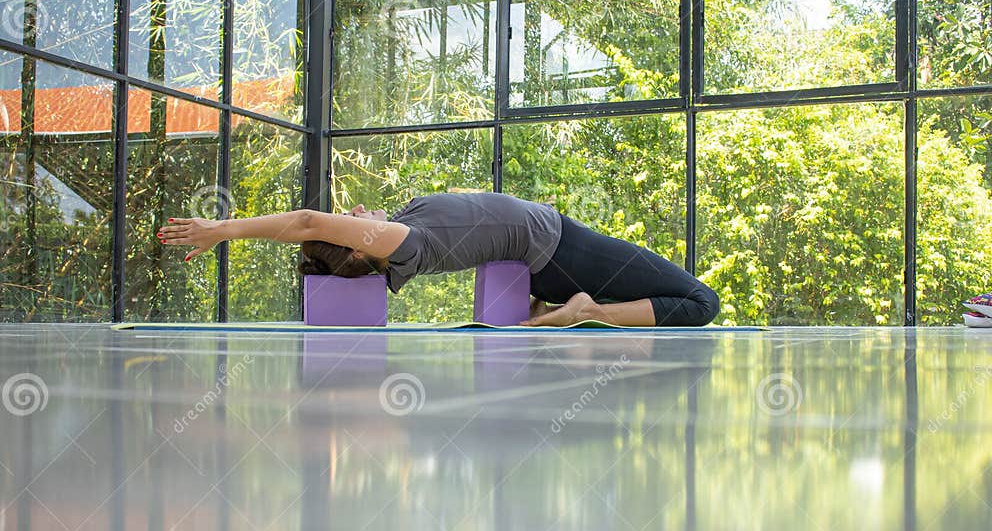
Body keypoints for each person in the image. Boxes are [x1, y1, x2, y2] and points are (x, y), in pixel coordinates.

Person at [157, 192, 719, 327]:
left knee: (684, 299)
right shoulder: (404, 243)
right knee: (702, 302)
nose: (350, 211)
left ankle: (563, 311)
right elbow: (306, 222)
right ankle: (584, 312)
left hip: (547, 250)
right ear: (361, 246)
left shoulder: (405, 230)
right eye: (349, 221)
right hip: (559, 247)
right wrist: (220, 229)